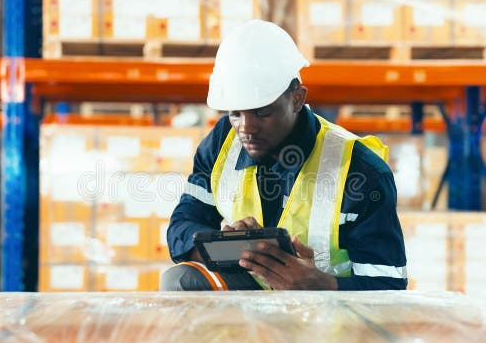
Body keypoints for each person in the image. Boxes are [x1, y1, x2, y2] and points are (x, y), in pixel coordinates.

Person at [160, 19, 407, 291]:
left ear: (298, 99)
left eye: (262, 112)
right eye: (235, 113)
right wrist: (227, 245)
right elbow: (181, 228)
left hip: (328, 321)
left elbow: (389, 287)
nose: (246, 128)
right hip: (247, 308)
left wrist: (320, 285)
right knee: (180, 280)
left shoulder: (361, 171)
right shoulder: (222, 144)